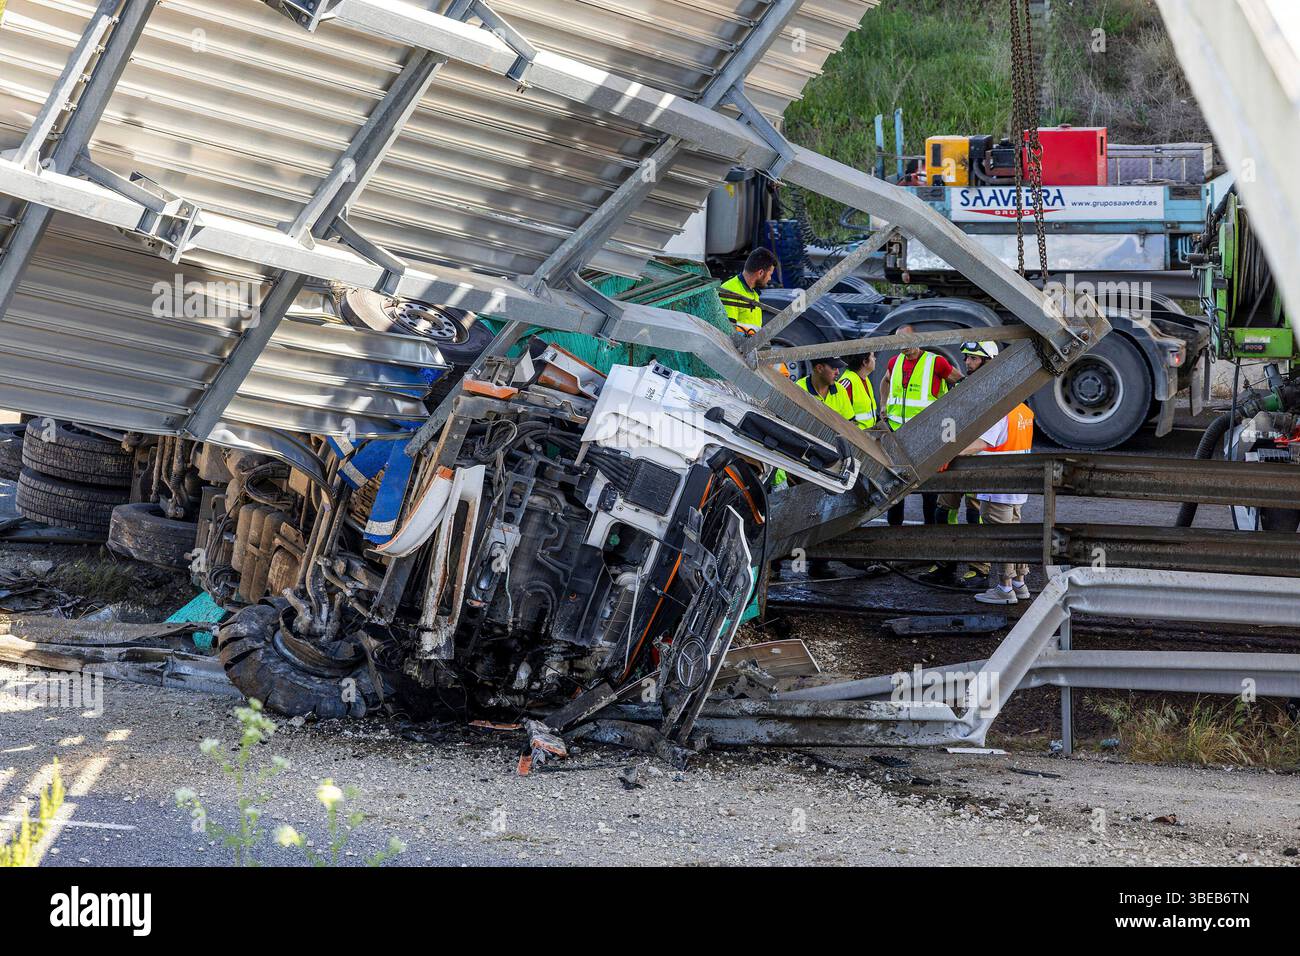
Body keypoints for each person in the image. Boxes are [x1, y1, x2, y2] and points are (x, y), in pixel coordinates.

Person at [924, 341, 1000, 587]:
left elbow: (989, 439)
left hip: (978, 463)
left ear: (988, 361)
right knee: (944, 511)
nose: (966, 363)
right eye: (967, 358)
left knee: (975, 514)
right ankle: (945, 563)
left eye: (973, 359)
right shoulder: (960, 387)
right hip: (955, 460)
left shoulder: (997, 391)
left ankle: (979, 569)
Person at [953, 396, 1036, 605]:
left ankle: (1004, 589)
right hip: (1018, 486)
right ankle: (1020, 583)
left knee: (1000, 538)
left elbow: (983, 443)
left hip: (997, 487)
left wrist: (953, 451)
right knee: (1014, 535)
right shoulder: (1024, 412)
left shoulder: (1001, 412)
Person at [884, 325, 963, 527]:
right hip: (897, 434)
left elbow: (960, 382)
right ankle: (894, 534)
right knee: (895, 487)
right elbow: (886, 381)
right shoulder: (895, 362)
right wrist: (883, 405)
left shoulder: (936, 362)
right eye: (899, 344)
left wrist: (950, 417)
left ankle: (929, 535)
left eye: (907, 343)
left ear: (918, 339)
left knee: (928, 488)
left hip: (926, 435)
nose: (903, 348)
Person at [720, 248, 779, 333]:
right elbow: (727, 329)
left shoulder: (753, 292)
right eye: (770, 274)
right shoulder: (729, 291)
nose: (769, 278)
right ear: (760, 273)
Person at [837, 352, 878, 429]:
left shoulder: (865, 379)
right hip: (856, 437)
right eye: (872, 357)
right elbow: (837, 414)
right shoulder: (847, 383)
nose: (875, 359)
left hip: (868, 433)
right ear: (865, 362)